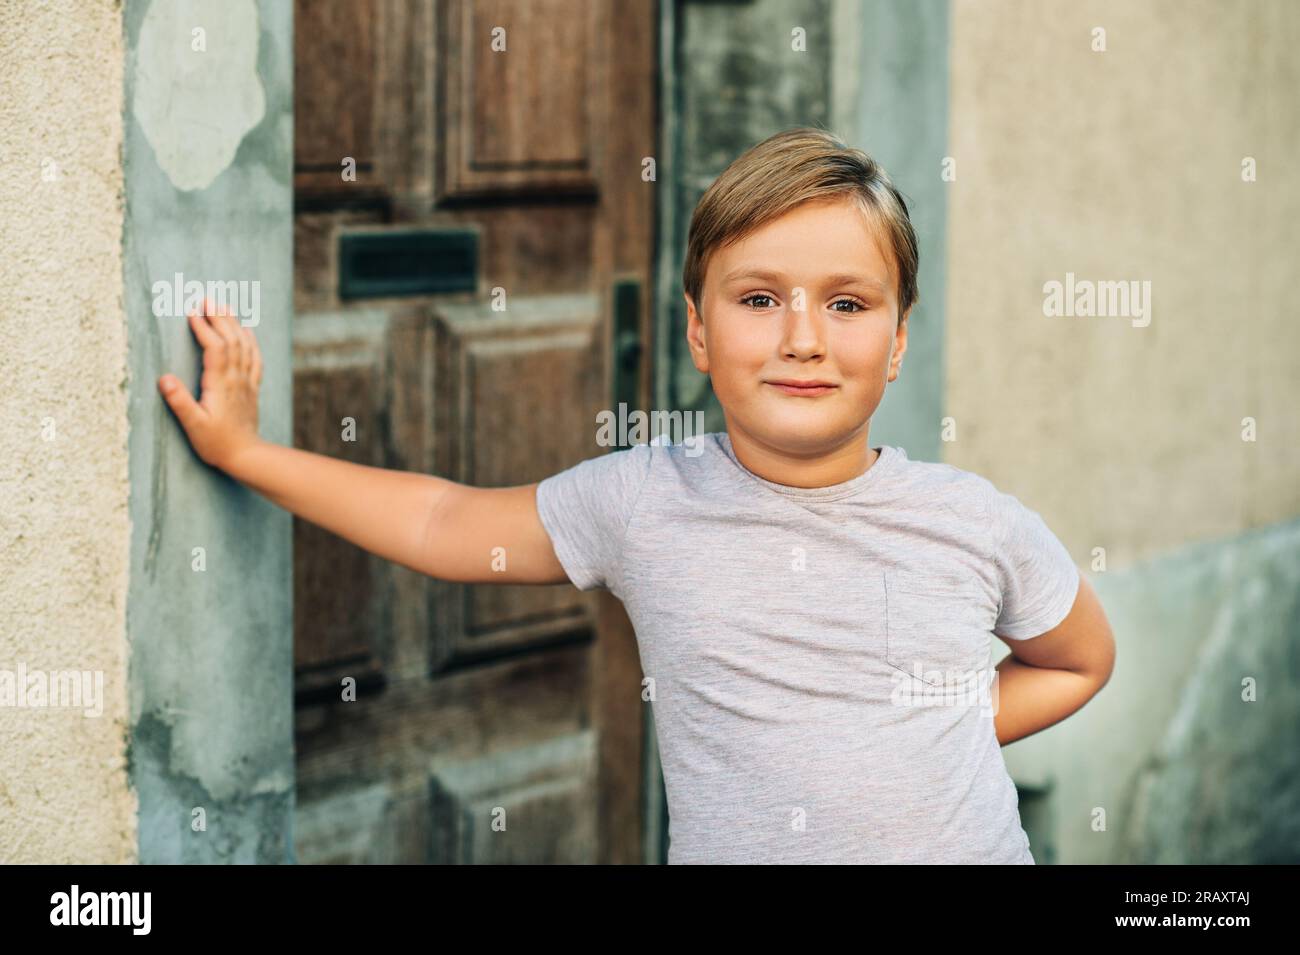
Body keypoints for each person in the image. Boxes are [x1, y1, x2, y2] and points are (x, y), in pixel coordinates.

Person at [159, 126, 1116, 864]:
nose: (802, 337)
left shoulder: (976, 520)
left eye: (848, 303)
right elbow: (444, 520)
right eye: (757, 299)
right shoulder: (645, 499)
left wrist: (930, 720)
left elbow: (1078, 661)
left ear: (898, 341)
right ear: (698, 334)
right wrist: (247, 453)